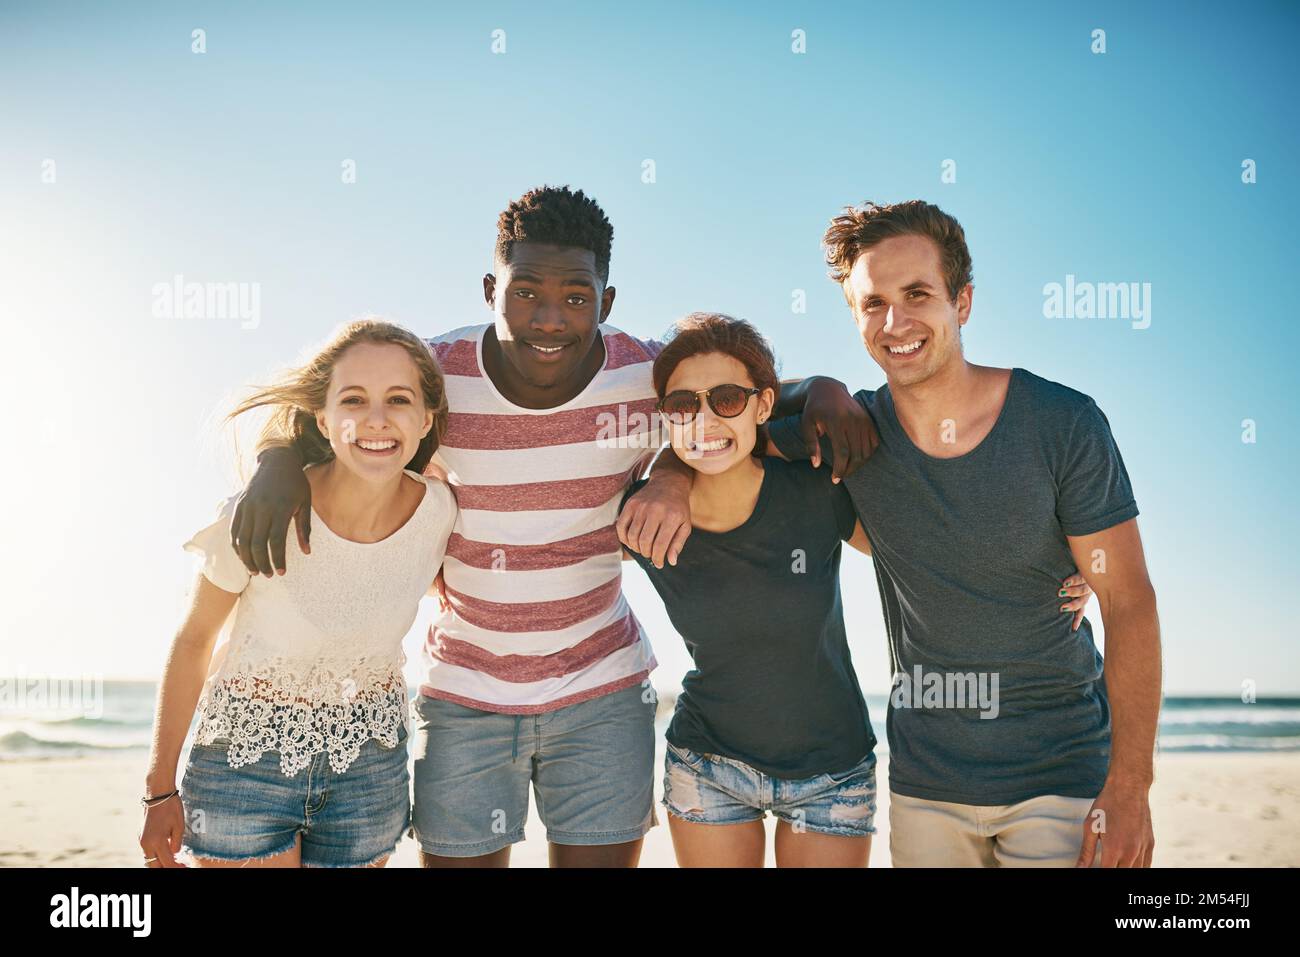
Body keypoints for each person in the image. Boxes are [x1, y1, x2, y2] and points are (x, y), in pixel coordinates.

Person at [223, 185, 877, 867]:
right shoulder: (434, 374)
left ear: (607, 301)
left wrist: (815, 390)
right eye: (525, 291)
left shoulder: (645, 376)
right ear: (489, 289)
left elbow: (737, 400)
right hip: (464, 692)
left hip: (602, 691)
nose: (549, 318)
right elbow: (320, 402)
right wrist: (278, 460)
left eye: (576, 297)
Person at [769, 200, 1161, 867]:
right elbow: (724, 410)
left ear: (963, 302)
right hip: (926, 791)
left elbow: (1128, 601)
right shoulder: (851, 434)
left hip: (1061, 779)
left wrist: (1130, 788)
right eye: (872, 303)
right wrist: (816, 386)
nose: (895, 322)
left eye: (918, 294)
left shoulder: (1062, 424)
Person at [139, 319, 456, 868]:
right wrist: (158, 788)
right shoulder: (260, 513)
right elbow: (193, 642)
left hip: (369, 768)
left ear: (426, 417)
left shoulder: (442, 513)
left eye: (399, 399)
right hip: (245, 762)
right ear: (323, 418)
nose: (376, 420)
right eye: (353, 400)